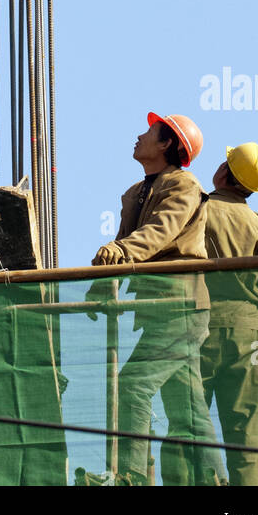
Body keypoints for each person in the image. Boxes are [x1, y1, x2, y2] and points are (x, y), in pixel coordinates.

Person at [87, 112, 222, 486]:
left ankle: (131, 475)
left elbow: (159, 232)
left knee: (134, 384)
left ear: (166, 144)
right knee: (187, 408)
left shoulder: (184, 185)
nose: (139, 135)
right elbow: (125, 243)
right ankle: (214, 478)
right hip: (158, 308)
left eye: (148, 132)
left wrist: (118, 252)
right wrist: (102, 282)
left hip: (180, 305)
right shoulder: (137, 192)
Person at [197, 142, 258, 486]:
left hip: (199, 327)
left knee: (192, 423)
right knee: (245, 430)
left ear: (223, 173)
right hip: (249, 335)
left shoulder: (197, 211)